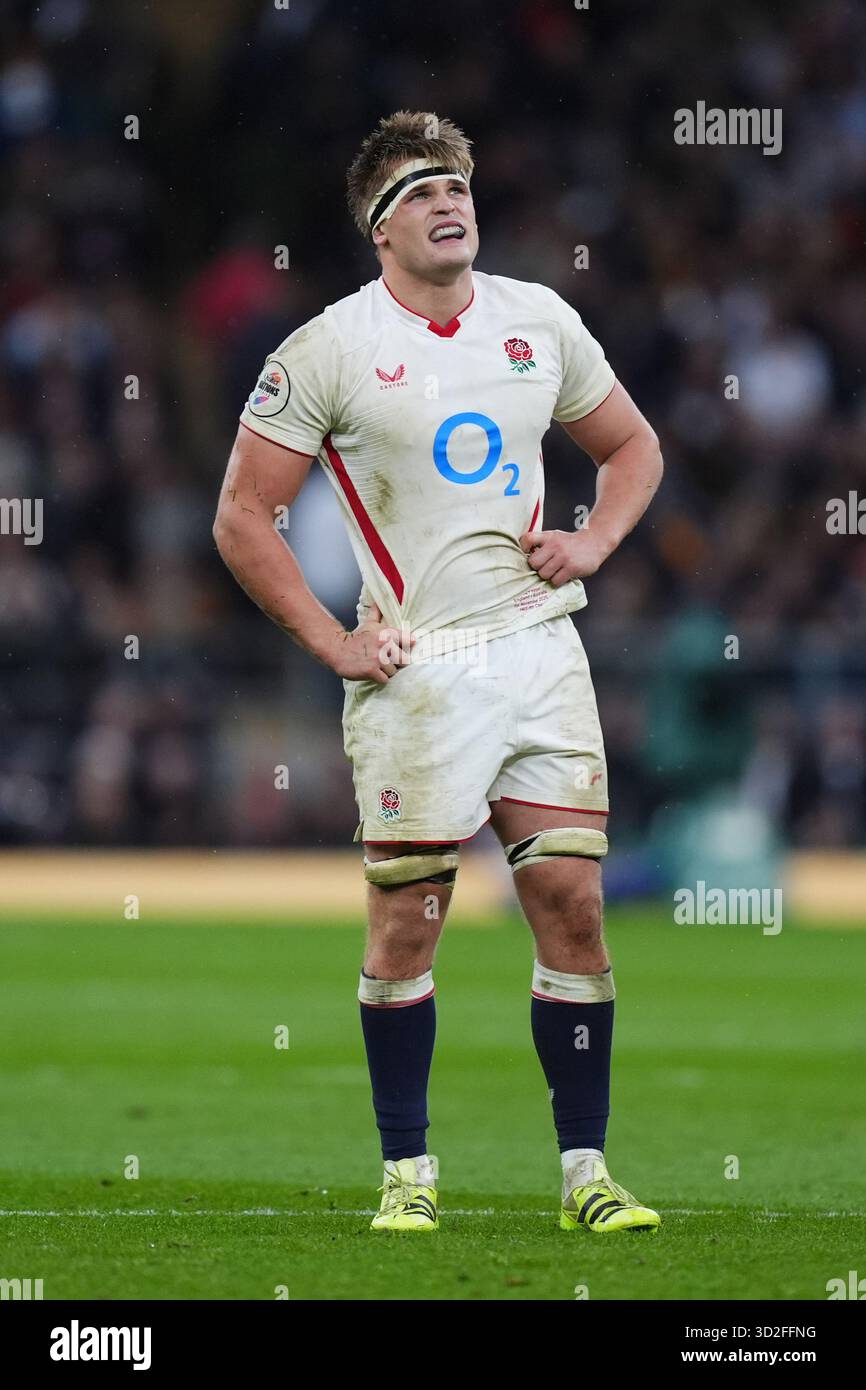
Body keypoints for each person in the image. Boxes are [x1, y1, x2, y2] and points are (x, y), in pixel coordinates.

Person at [213, 111, 664, 1234]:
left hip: (536, 643)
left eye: (456, 183)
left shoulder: (537, 318)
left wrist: (593, 543)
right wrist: (333, 641)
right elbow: (241, 516)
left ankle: (584, 1176)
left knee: (569, 901)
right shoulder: (325, 349)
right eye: (419, 190)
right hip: (418, 668)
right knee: (409, 922)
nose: (448, 202)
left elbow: (632, 448)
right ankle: (407, 1173)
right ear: (377, 225)